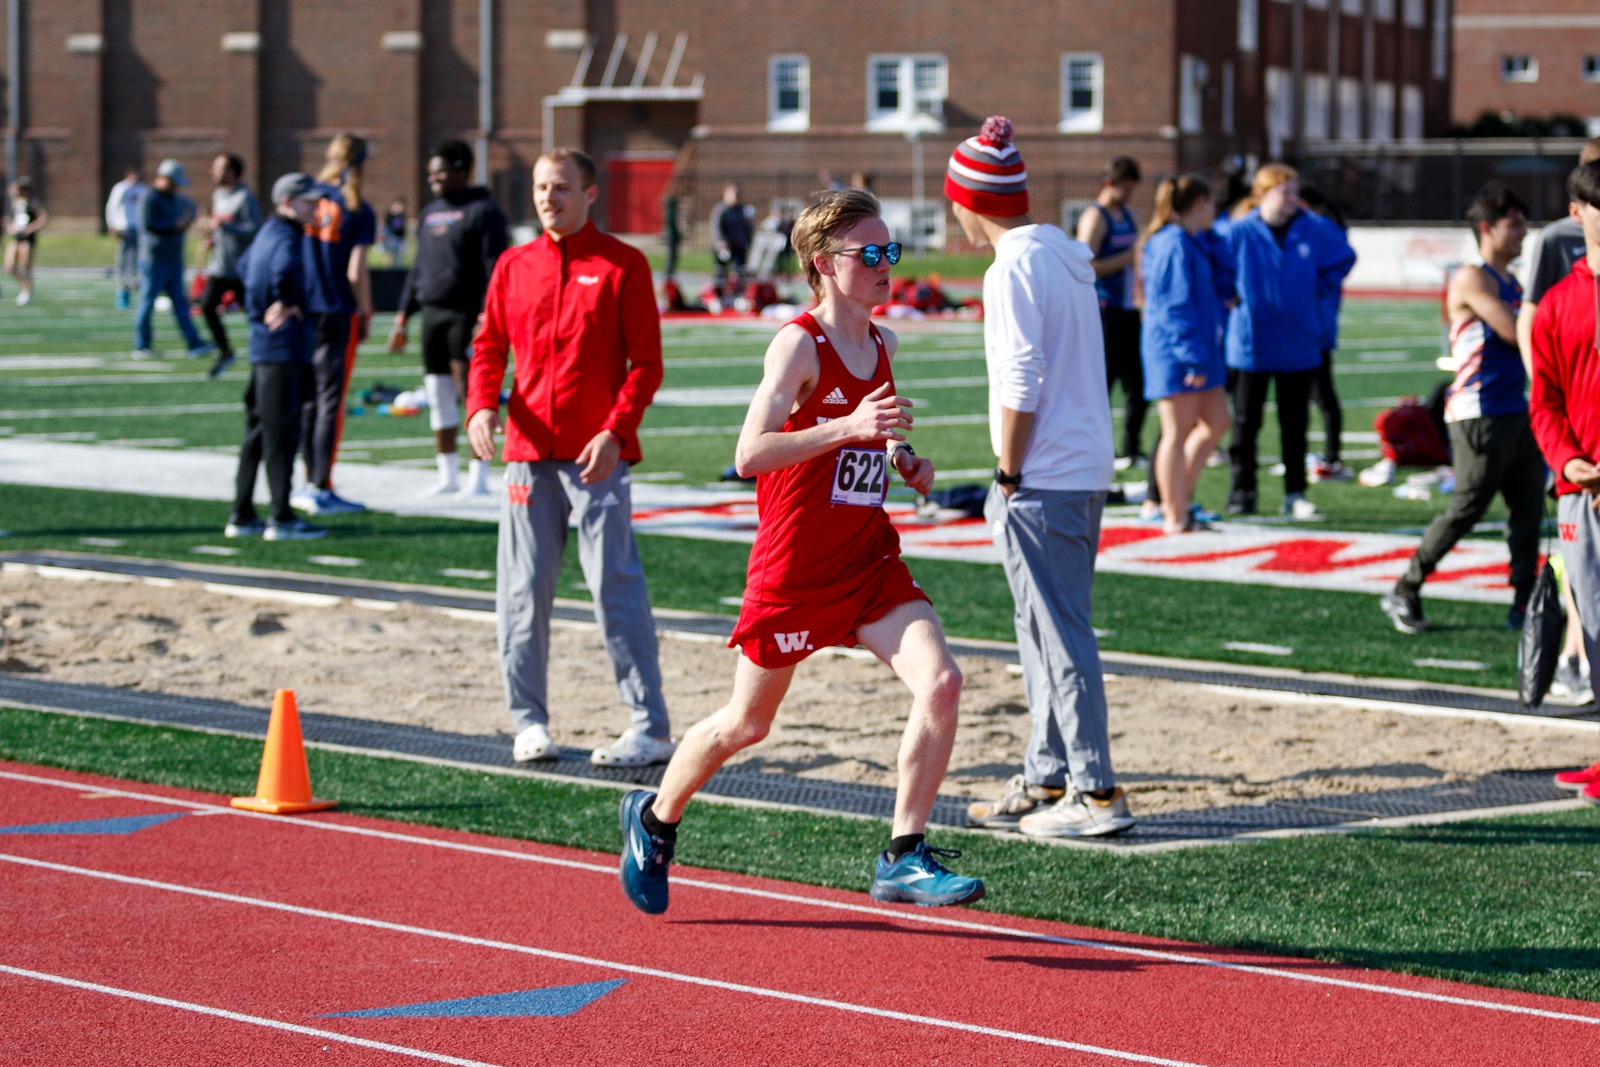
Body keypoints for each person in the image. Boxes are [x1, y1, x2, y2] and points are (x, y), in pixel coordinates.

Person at [617, 187, 984, 916]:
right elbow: (750, 452)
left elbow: (872, 431)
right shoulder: (798, 343)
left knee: (941, 681)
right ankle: (655, 818)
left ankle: (902, 854)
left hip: (868, 559)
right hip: (794, 568)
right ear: (824, 263)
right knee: (747, 724)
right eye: (870, 253)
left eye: (892, 251)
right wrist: (848, 427)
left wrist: (902, 457)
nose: (886, 266)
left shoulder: (885, 341)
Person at [947, 116, 1135, 840]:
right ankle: (1048, 769)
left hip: (1045, 472)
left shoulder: (1013, 266)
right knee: (1040, 627)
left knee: (1059, 633)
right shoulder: (1061, 253)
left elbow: (1021, 376)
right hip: (1080, 467)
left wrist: (1007, 470)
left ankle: (1096, 790)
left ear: (972, 199)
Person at [467, 148, 672, 769]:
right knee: (523, 593)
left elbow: (646, 365)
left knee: (616, 588)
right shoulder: (513, 265)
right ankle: (529, 722)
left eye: (559, 187)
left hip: (599, 462)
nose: (547, 198)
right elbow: (488, 346)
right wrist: (481, 406)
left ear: (589, 194)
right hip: (528, 458)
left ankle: (649, 726)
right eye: (539, 188)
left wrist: (615, 431)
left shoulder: (623, 265)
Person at [1380, 182, 1544, 635]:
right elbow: (1515, 332)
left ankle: (1524, 602)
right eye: (1515, 224)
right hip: (1479, 411)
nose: (1523, 233)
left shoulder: (1511, 280)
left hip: (1514, 408)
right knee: (1467, 506)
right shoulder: (1472, 277)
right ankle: (1404, 587)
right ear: (1487, 228)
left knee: (1528, 509)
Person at [1223, 163, 1355, 518]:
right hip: (1251, 342)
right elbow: (1216, 265)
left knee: (1295, 424)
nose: (1294, 199)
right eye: (1286, 192)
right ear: (1263, 194)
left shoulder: (1313, 229)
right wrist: (1227, 294)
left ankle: (1295, 493)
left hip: (1298, 342)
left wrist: (1319, 289)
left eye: (1295, 191)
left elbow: (1345, 257)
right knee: (1245, 424)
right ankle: (1242, 491)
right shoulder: (1238, 231)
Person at [1530, 159, 1600, 802]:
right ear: (1578, 213)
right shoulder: (1558, 301)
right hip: (1580, 486)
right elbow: (1544, 399)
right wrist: (1566, 459)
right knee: (1595, 621)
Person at [388, 140, 509, 497]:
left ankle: (478, 475)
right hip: (433, 314)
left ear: (461, 170)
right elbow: (419, 268)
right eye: (431, 173)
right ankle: (447, 474)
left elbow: (495, 268)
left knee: (468, 392)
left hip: (466, 314)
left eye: (441, 172)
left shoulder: (484, 210)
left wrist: (487, 313)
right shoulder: (429, 213)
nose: (434, 179)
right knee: (437, 393)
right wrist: (402, 315)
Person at [225, 173, 328, 544]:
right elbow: (283, 270)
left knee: (256, 431)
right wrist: (286, 300)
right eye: (307, 202)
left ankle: (242, 512)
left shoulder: (267, 233)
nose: (314, 208)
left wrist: (259, 308)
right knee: (282, 434)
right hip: (283, 349)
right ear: (286, 202)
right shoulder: (287, 237)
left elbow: (242, 270)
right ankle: (281, 516)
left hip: (262, 346)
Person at [1138, 174, 1232, 534]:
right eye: (1210, 204)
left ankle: (1178, 500)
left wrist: (1211, 239)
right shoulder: (1172, 243)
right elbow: (1172, 306)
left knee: (1217, 423)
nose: (1215, 211)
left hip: (1198, 346)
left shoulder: (1194, 240)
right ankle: (1174, 513)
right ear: (1198, 204)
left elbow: (1226, 276)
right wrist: (1191, 356)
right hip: (1177, 350)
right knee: (1176, 431)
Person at [293, 133, 376, 516]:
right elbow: (356, 269)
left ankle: (308, 478)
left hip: (304, 309)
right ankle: (320, 484)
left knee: (308, 401)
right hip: (337, 308)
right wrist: (367, 309)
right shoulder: (357, 207)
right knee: (331, 402)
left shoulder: (310, 199)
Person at [1077, 156, 1148, 470]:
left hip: (1129, 309)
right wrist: (1128, 257)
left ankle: (1131, 446)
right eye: (1127, 187)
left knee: (1140, 384)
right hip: (1104, 311)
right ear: (1110, 184)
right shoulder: (1096, 217)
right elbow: (1085, 265)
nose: (1131, 194)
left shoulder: (1129, 214)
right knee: (1102, 383)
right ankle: (1094, 447)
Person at [133, 160, 216, 361]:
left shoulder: (175, 198)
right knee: (147, 301)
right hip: (155, 259)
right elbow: (148, 225)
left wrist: (198, 217)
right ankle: (142, 344)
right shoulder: (150, 197)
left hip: (173, 259)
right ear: (164, 179)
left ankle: (194, 343)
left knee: (180, 303)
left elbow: (194, 209)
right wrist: (175, 224)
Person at [1299, 184, 1352, 483]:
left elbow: (1346, 257)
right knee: (1317, 394)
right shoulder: (1322, 225)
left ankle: (1331, 455)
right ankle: (1328, 454)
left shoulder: (1318, 227)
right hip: (1313, 325)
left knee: (1321, 394)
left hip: (1313, 326)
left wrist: (1313, 285)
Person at [198, 153, 262, 380]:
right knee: (206, 306)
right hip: (219, 267)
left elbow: (254, 230)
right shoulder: (218, 195)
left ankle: (265, 356)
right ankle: (225, 351)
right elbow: (220, 228)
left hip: (241, 270)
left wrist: (226, 226)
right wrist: (211, 234)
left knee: (256, 316)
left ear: (231, 172)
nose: (212, 172)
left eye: (218, 168)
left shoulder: (245, 198)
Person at [106, 165, 145, 308]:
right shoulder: (121, 188)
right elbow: (112, 206)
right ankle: (121, 279)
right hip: (124, 226)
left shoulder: (141, 188)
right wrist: (112, 223)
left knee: (135, 254)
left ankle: (133, 278)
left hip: (138, 226)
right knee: (123, 254)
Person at [6, 177, 49, 307]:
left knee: (25, 267)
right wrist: (10, 227)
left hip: (27, 239)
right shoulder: (15, 201)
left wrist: (31, 228)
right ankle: (25, 286)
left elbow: (44, 217)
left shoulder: (33, 202)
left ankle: (27, 291)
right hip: (16, 237)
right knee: (9, 267)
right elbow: (11, 219)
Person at [711, 183, 752, 290]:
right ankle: (721, 290)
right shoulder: (721, 210)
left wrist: (747, 240)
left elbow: (748, 227)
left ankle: (739, 290)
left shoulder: (742, 210)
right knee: (721, 271)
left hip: (738, 245)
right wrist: (720, 241)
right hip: (725, 246)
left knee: (740, 270)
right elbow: (716, 226)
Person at [661, 188, 681, 282]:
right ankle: (668, 273)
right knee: (671, 256)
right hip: (671, 237)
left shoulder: (672, 213)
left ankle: (670, 273)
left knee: (674, 256)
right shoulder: (670, 213)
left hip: (673, 237)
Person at [382, 198, 408, 266]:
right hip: (390, 238)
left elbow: (403, 228)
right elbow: (385, 226)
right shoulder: (389, 215)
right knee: (389, 255)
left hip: (399, 238)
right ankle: (387, 267)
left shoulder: (402, 216)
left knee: (399, 256)